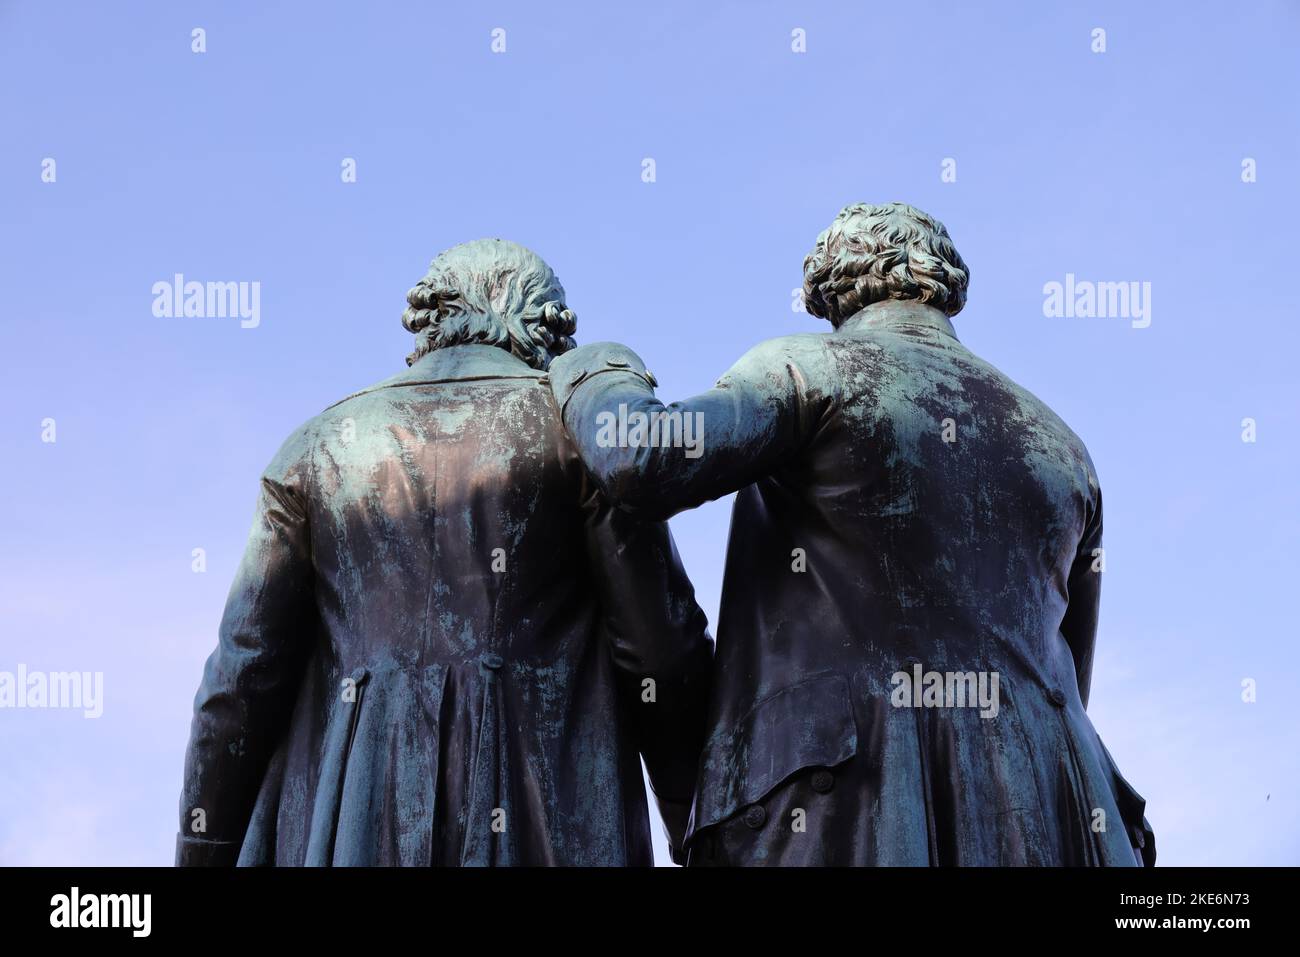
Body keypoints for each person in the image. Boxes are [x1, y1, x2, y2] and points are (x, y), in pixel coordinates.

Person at [549, 203, 1156, 865]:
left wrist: (596, 372)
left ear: (827, 287)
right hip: (1049, 805)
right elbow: (1070, 669)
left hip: (844, 792)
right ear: (945, 279)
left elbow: (642, 459)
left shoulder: (813, 370)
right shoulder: (1062, 446)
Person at [176, 239, 712, 866]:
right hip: (546, 821)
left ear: (433, 321)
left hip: (352, 827)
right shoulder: (577, 433)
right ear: (539, 324)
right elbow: (658, 652)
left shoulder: (314, 450)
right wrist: (696, 819)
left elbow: (240, 683)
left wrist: (202, 850)